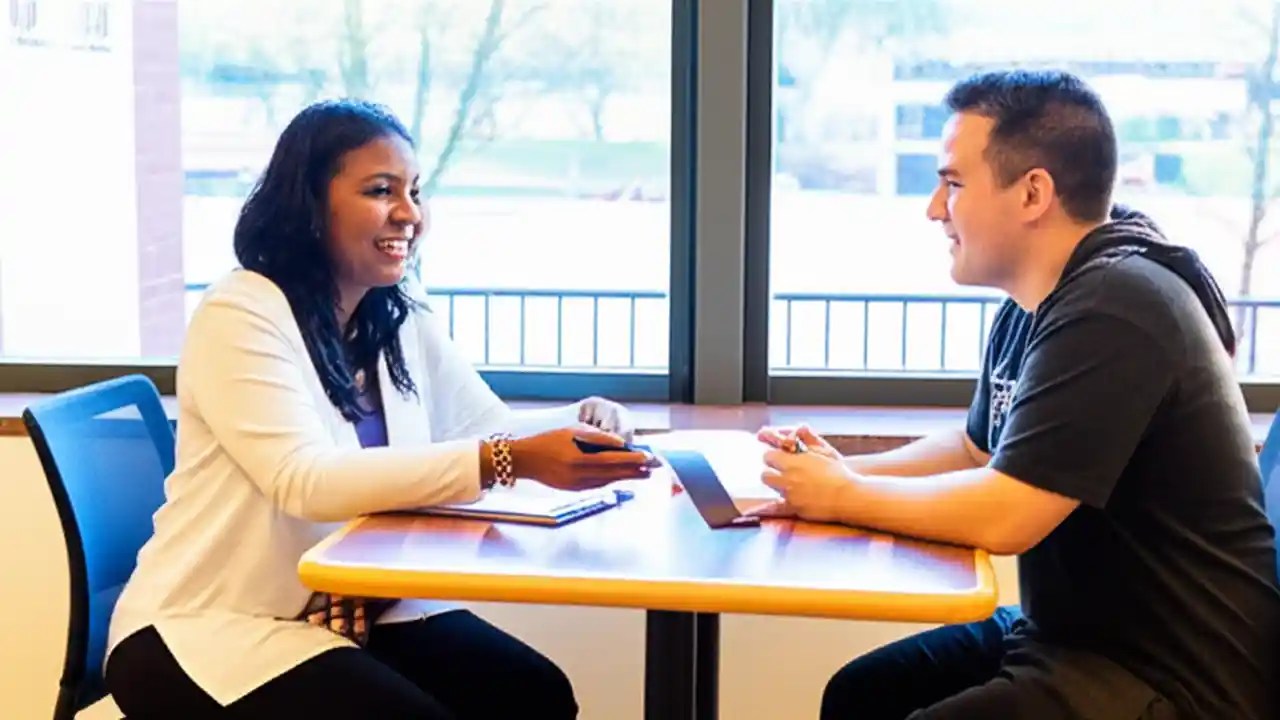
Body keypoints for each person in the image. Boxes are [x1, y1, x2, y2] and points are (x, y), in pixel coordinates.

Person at [104, 98, 657, 719]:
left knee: (534, 697)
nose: (410, 214)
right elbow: (303, 479)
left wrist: (577, 424)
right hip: (210, 627)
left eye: (415, 191)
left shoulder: (392, 313)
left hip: (350, 610)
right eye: (380, 190)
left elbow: (486, 432)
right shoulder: (242, 313)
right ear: (309, 205)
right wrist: (510, 458)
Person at [756, 70, 1280, 719]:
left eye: (952, 183)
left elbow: (1007, 514)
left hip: (1169, 681)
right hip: (1070, 640)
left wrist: (840, 496)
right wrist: (835, 472)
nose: (932, 208)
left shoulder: (1119, 307)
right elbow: (979, 451)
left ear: (1033, 192)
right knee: (862, 696)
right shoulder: (1041, 300)